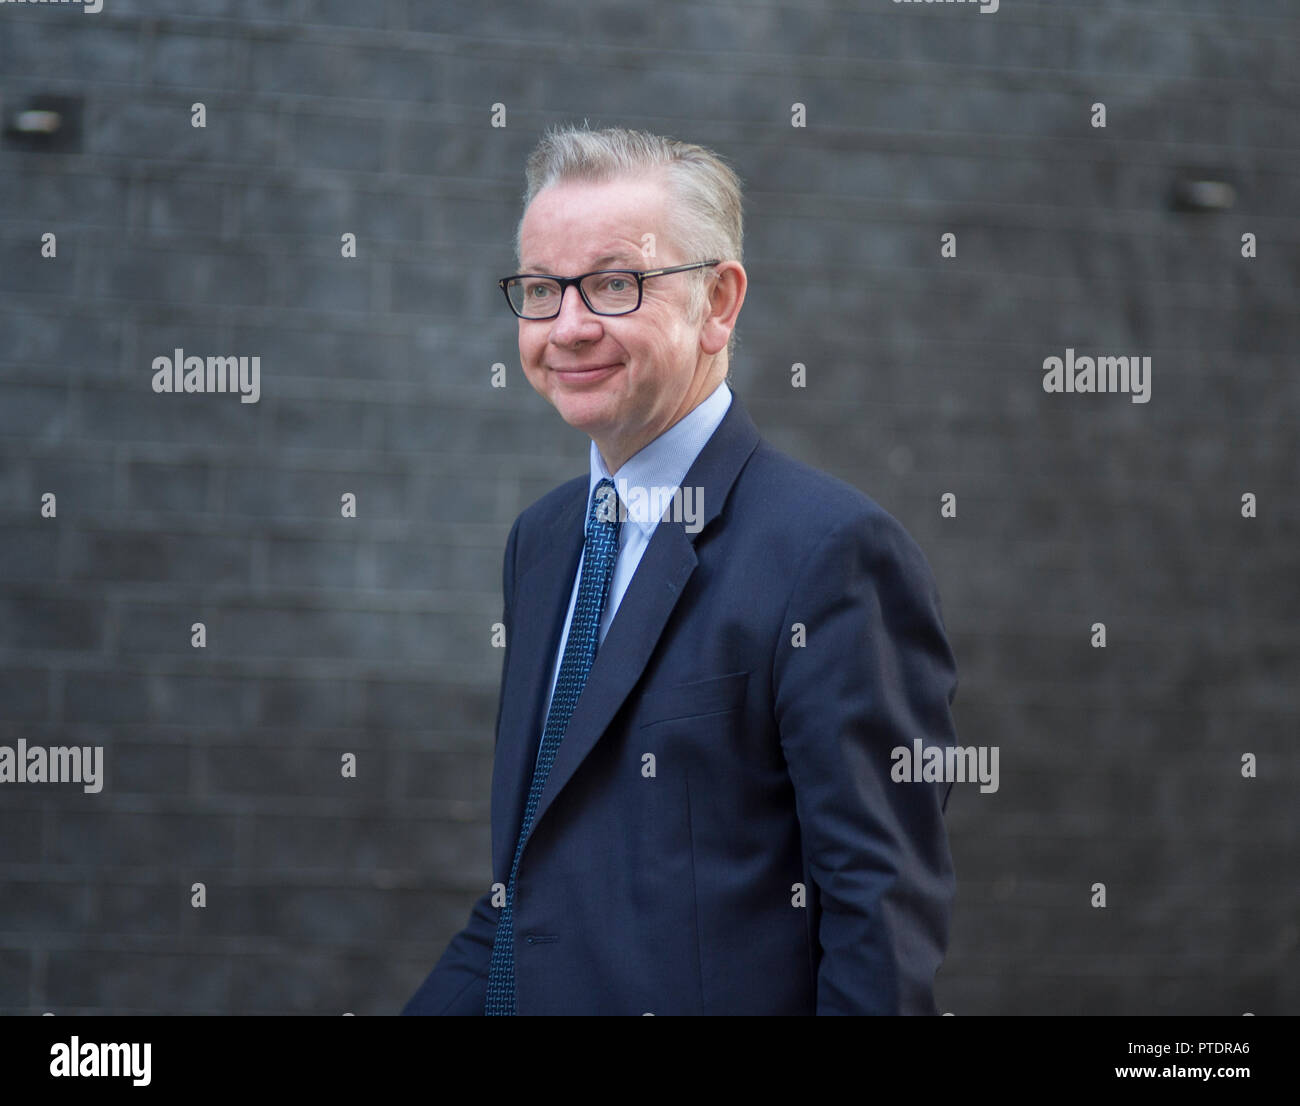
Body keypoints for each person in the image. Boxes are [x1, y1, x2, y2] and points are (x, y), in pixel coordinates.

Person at [402, 124, 959, 1015]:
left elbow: (877, 922)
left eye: (615, 284)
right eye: (542, 290)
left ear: (720, 302)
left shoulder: (834, 555)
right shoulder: (542, 543)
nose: (569, 327)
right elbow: (528, 895)